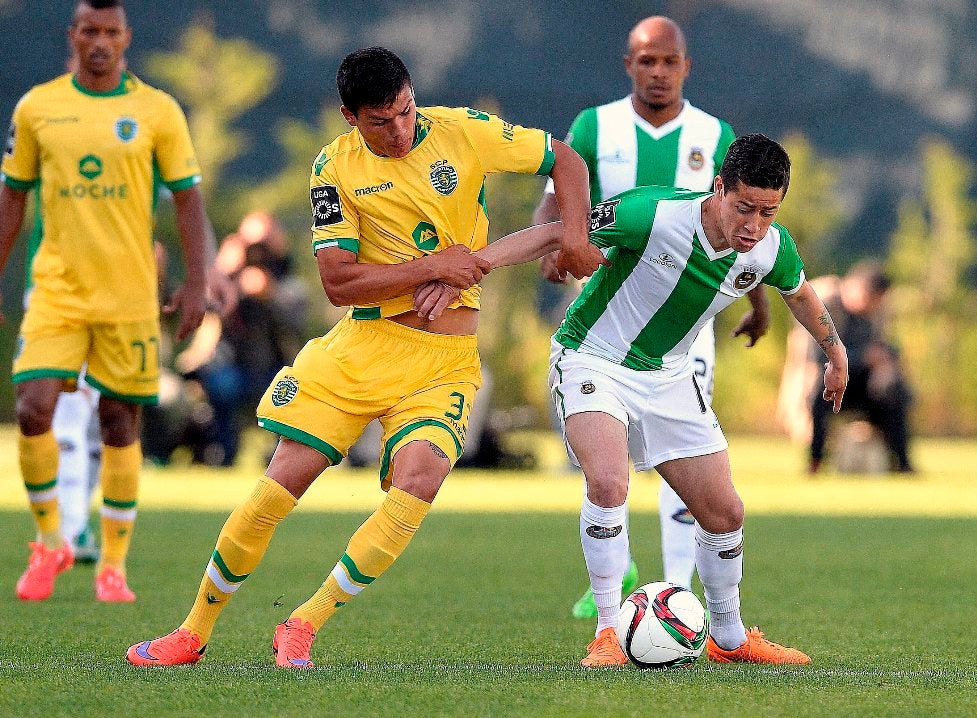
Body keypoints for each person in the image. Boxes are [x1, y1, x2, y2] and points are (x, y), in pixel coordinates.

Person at [125, 45, 603, 668]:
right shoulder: (334, 168)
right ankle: (191, 632)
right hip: (362, 347)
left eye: (406, 111)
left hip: (443, 361)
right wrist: (434, 266)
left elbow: (565, 158)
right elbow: (338, 282)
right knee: (280, 484)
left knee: (418, 481)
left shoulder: (462, 131)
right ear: (351, 117)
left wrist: (573, 236)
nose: (400, 129)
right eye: (382, 121)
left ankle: (303, 623)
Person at [539, 133, 848, 666]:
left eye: (767, 212)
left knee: (725, 512)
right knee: (610, 481)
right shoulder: (653, 213)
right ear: (719, 187)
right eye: (744, 207)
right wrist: (478, 264)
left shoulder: (773, 245)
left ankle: (728, 639)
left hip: (670, 377)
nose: (754, 225)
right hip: (593, 357)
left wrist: (834, 350)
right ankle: (608, 634)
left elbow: (797, 292)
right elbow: (561, 230)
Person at [532, 16, 770, 618]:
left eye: (669, 61)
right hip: (606, 313)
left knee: (682, 455)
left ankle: (675, 592)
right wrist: (547, 243)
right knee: (604, 460)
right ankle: (619, 579)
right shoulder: (596, 125)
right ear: (629, 64)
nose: (658, 72)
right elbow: (557, 195)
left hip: (686, 329)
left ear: (686, 66)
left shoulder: (715, 134)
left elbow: (747, 230)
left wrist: (757, 302)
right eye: (646, 61)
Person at [0, 0, 209, 602]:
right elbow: (12, 197)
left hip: (129, 298)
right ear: (74, 36)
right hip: (58, 292)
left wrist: (198, 282)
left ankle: (112, 566)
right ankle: (49, 543)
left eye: (110, 33)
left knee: (119, 421)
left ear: (126, 38)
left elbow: (188, 199)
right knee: (33, 407)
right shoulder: (37, 108)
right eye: (89, 31)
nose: (99, 42)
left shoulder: (156, 110)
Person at [802, 262, 912, 473]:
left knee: (893, 390)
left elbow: (890, 348)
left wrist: (885, 365)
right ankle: (815, 461)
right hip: (834, 382)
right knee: (819, 395)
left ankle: (901, 462)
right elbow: (817, 355)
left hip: (864, 385)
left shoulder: (876, 314)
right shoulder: (826, 308)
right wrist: (863, 358)